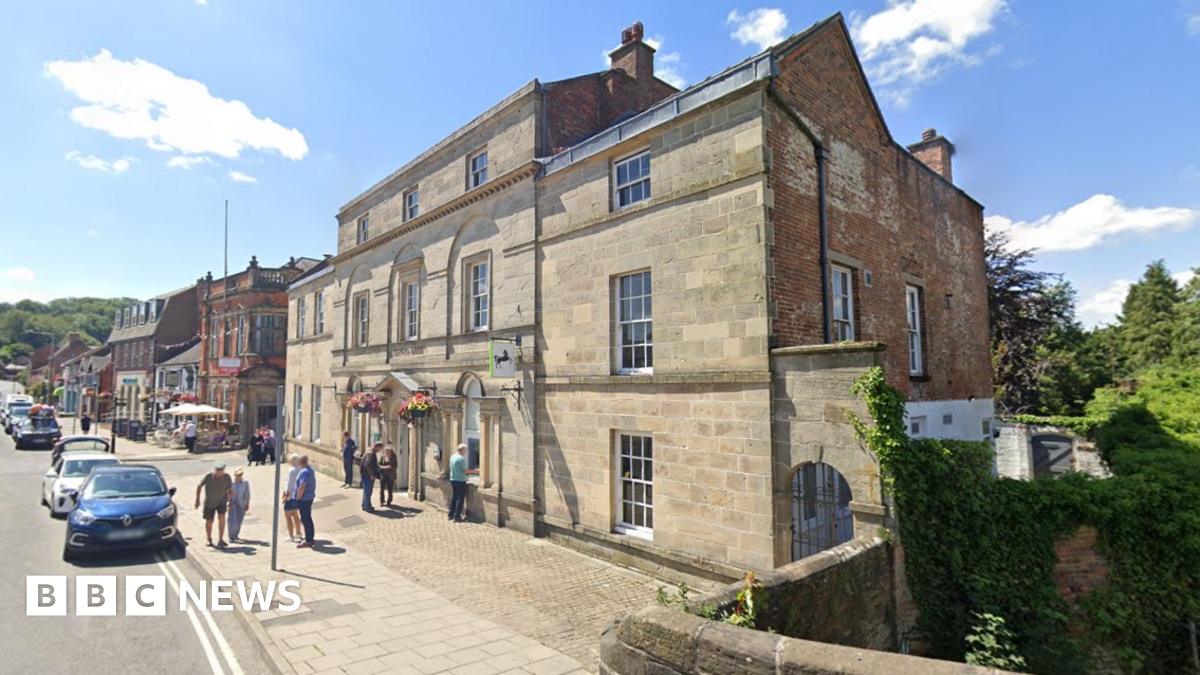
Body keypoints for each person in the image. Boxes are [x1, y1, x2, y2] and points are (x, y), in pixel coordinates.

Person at [195, 462, 234, 548]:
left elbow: (231, 490)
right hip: (209, 502)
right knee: (209, 521)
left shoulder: (227, 477)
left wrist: (231, 501)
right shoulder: (209, 477)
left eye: (220, 471)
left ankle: (221, 539)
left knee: (222, 519)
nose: (218, 472)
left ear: (223, 471)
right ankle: (209, 539)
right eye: (217, 470)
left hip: (222, 501)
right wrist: (197, 500)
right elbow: (199, 486)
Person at [448, 443, 479, 522]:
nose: (466, 452)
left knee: (454, 497)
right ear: (463, 450)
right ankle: (457, 516)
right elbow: (465, 471)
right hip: (460, 481)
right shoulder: (461, 459)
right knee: (460, 499)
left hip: (453, 479)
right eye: (465, 450)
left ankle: (450, 514)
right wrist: (476, 471)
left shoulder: (453, 456)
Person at [294, 455, 316, 548]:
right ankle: (310, 536)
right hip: (309, 497)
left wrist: (298, 497)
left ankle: (309, 539)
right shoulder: (310, 469)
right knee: (308, 517)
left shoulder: (304, 472)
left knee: (305, 518)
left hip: (304, 498)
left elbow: (302, 486)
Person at [227, 468, 251, 542]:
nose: (239, 476)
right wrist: (228, 504)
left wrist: (247, 504)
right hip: (232, 503)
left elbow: (247, 493)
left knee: (239, 519)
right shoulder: (231, 483)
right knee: (232, 519)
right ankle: (231, 536)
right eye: (238, 475)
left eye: (240, 474)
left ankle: (236, 535)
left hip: (241, 503)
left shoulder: (245, 483)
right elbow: (227, 493)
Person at [282, 453, 301, 542]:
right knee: (296, 515)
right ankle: (298, 532)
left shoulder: (292, 471)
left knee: (288, 516)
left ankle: (290, 536)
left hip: (290, 496)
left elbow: (289, 485)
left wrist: (286, 496)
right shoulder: (301, 469)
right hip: (298, 495)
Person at [360, 442, 381, 513]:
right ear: (377, 447)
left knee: (366, 491)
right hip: (367, 475)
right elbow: (368, 464)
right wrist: (371, 475)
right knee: (368, 491)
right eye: (380, 449)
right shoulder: (371, 453)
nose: (379, 451)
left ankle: (364, 505)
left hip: (364, 474)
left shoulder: (368, 451)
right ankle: (368, 507)